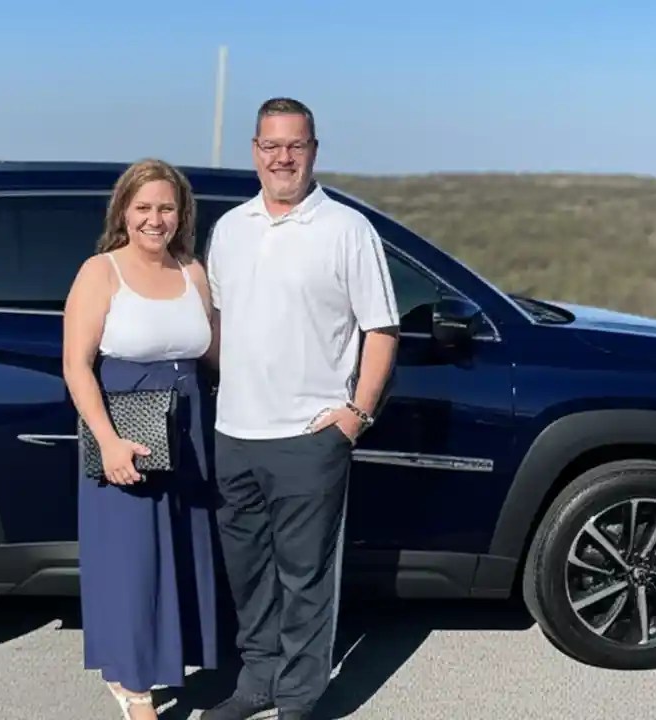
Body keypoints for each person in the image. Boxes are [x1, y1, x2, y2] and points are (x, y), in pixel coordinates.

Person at [200, 98, 401, 720]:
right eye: (271, 145)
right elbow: (218, 322)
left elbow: (381, 329)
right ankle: (257, 681)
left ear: (314, 150)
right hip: (235, 433)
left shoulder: (347, 230)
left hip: (310, 438)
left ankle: (298, 699)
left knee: (306, 579)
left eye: (295, 145)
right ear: (254, 151)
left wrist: (356, 415)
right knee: (249, 573)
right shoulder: (229, 229)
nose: (282, 157)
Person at [62, 158, 221, 720]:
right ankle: (131, 685)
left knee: (179, 556)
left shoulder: (193, 271)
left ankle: (169, 661)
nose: (156, 219)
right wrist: (107, 441)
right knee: (130, 564)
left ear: (182, 214)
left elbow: (216, 355)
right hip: (129, 429)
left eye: (167, 208)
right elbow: (77, 366)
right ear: (123, 212)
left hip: (191, 432)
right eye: (144, 207)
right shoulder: (100, 272)